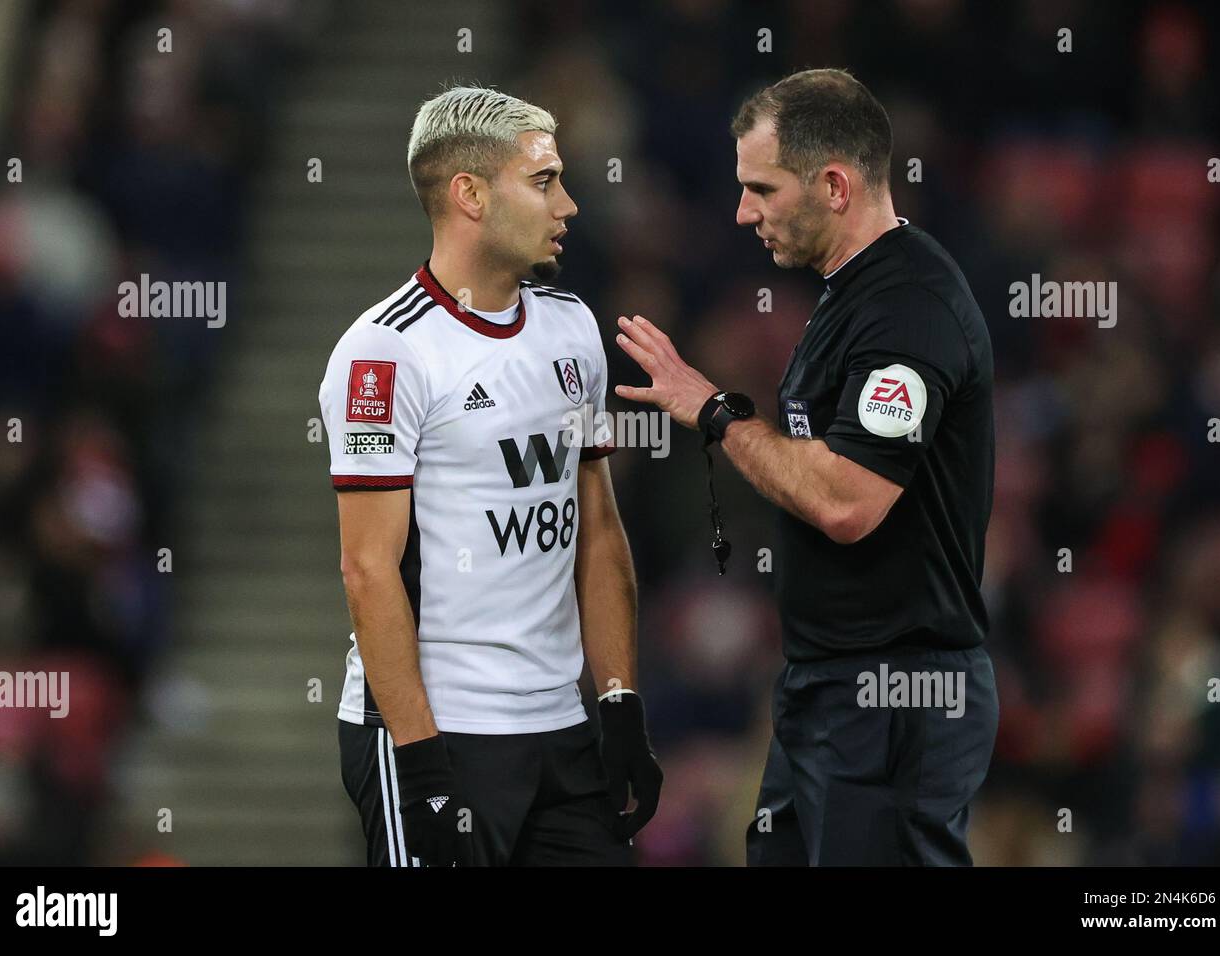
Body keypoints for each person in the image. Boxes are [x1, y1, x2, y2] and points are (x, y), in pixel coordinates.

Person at [614, 68, 998, 865]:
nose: (742, 211)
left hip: (896, 696)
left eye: (762, 188)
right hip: (833, 687)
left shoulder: (908, 310)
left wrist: (715, 412)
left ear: (833, 184)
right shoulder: (849, 296)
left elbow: (846, 502)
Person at [319, 85, 661, 866]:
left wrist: (617, 702)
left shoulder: (573, 328)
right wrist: (418, 758)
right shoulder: (386, 353)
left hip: (560, 731)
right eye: (543, 181)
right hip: (442, 730)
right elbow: (368, 568)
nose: (568, 203)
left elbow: (597, 529)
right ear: (469, 194)